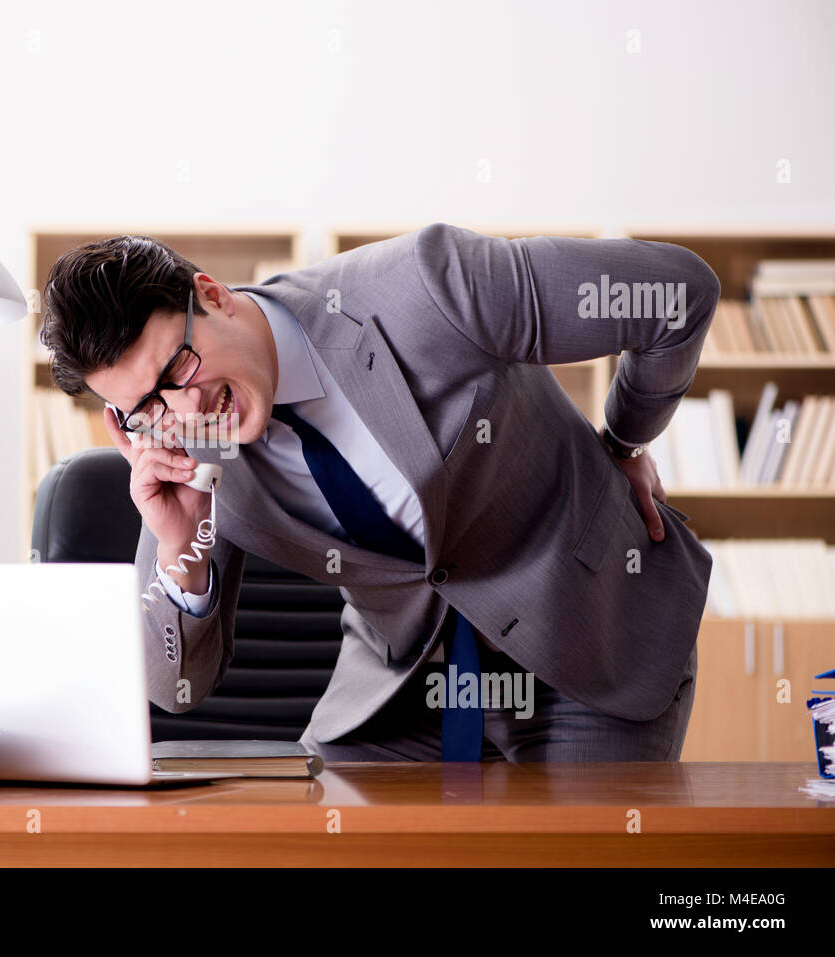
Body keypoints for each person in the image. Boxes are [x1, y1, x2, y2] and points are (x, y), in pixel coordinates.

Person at [39, 224, 719, 761]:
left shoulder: (427, 288)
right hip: (404, 694)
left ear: (211, 295)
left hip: (586, 643)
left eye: (180, 367)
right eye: (146, 410)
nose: (185, 413)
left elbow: (676, 294)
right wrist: (181, 546)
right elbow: (175, 689)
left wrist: (624, 440)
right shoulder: (191, 450)